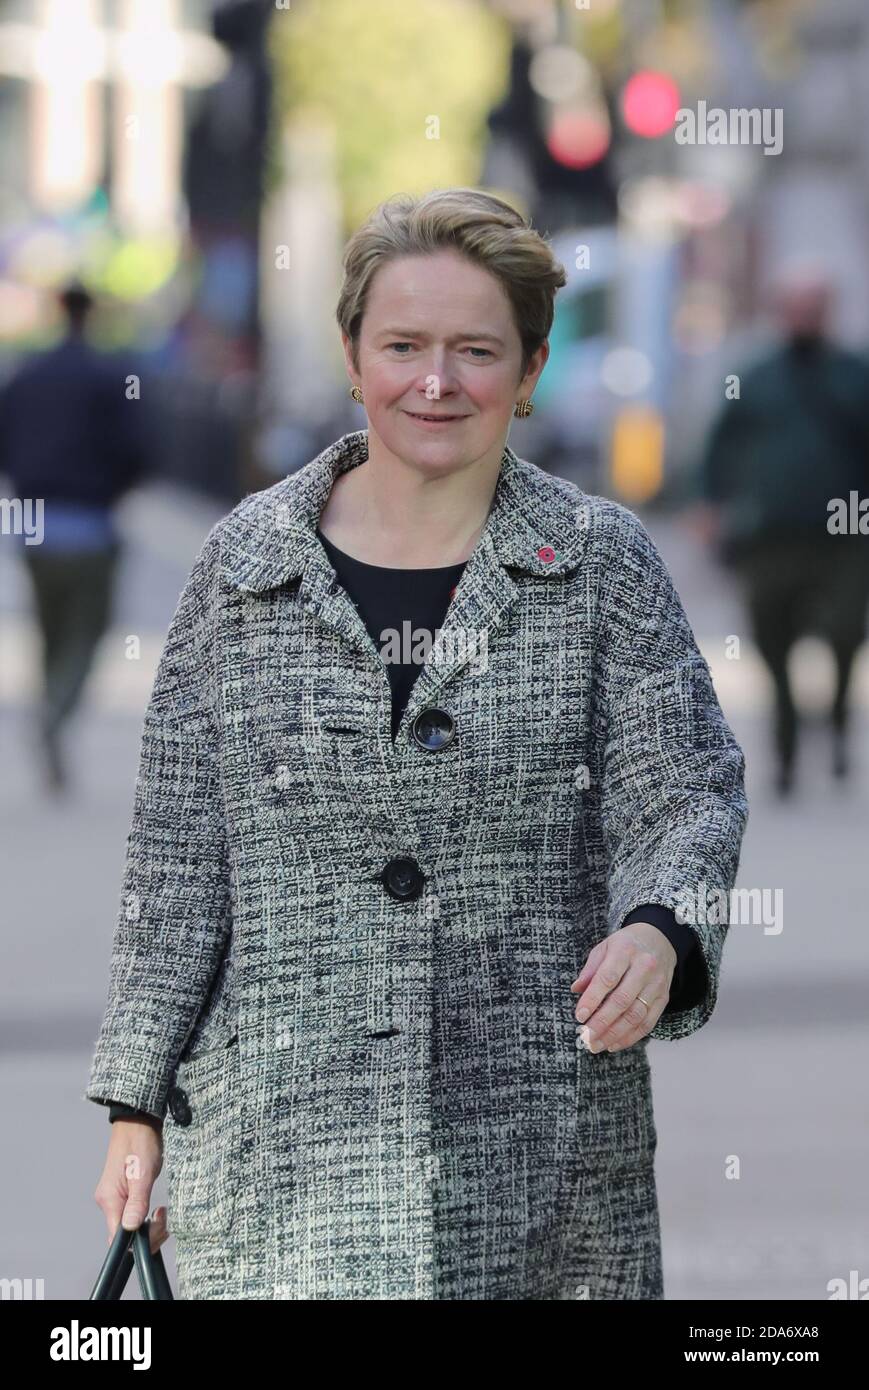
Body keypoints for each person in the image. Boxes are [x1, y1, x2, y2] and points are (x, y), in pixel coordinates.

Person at [85, 188, 748, 1299]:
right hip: (275, 1174)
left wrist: (658, 927)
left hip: (540, 1171)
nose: (433, 381)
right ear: (352, 357)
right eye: (402, 345)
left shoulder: (598, 565)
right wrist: (132, 1106)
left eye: (475, 350)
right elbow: (176, 866)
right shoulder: (243, 567)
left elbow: (684, 792)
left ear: (528, 372)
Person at [694, 264, 869, 795]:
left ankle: (839, 721)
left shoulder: (854, 373)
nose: (805, 315)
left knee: (844, 633)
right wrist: (708, 503)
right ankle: (787, 748)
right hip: (769, 536)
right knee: (773, 641)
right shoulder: (754, 376)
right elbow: (719, 447)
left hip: (844, 535)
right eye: (796, 305)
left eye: (814, 305)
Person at [0, 280, 151, 790]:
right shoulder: (110, 376)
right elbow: (138, 449)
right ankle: (57, 713)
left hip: (36, 523)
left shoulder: (27, 374)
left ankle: (51, 712)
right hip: (90, 522)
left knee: (49, 632)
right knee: (86, 633)